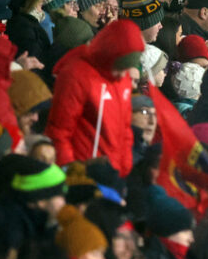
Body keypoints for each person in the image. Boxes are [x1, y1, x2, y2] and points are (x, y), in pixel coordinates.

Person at [46, 19, 144, 174]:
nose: (121, 75)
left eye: (125, 69)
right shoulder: (76, 74)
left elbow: (125, 129)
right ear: (108, 55)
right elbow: (59, 130)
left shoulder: (122, 78)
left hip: (112, 173)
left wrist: (124, 169)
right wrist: (71, 171)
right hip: (84, 171)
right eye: (118, 67)